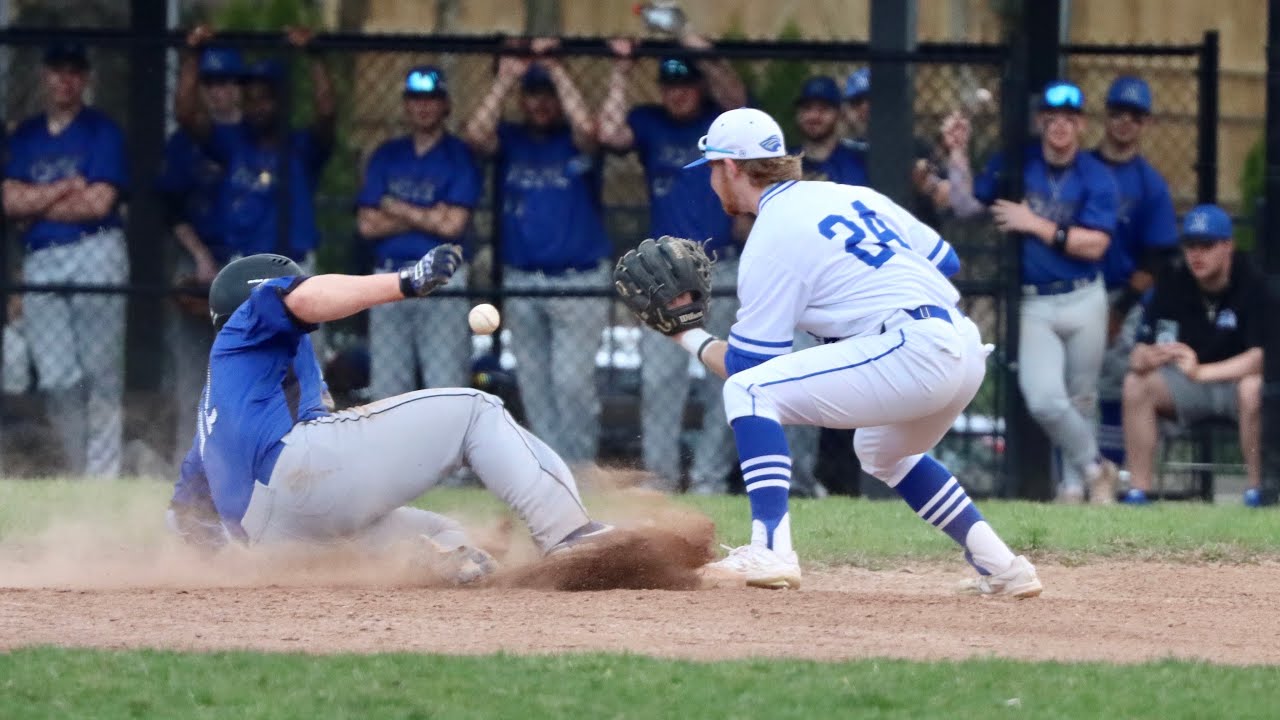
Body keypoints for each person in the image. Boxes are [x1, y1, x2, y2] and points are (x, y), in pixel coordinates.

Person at [617, 108, 1033, 596]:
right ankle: (1002, 566)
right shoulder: (849, 194)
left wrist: (685, 335)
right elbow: (948, 258)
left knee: (749, 391)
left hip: (911, 348)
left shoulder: (771, 236)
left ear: (732, 167)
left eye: (711, 168)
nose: (710, 181)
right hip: (959, 344)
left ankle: (771, 548)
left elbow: (749, 368)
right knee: (881, 450)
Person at [166, 248, 612, 580]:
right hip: (298, 471)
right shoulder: (250, 322)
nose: (299, 293)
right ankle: (569, 537)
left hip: (276, 535)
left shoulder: (218, 404)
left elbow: (185, 514)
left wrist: (241, 567)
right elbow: (305, 298)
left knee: (446, 538)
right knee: (475, 411)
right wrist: (404, 282)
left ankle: (459, 570)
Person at [944, 80, 1120, 503]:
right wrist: (956, 152)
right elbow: (965, 204)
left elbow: (1096, 243)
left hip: (1084, 295)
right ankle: (1097, 468)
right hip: (1035, 301)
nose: (1060, 126)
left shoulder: (1096, 174)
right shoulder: (1017, 163)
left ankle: (1075, 490)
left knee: (1082, 398)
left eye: (1069, 119)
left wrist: (1036, 224)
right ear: (1041, 122)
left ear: (1080, 125)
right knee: (1044, 399)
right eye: (1052, 118)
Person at [598, 34, 751, 494]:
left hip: (722, 268)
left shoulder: (718, 122)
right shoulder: (650, 122)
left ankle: (708, 479)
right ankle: (660, 480)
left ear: (700, 85)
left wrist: (705, 51)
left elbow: (739, 101)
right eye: (669, 84)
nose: (678, 92)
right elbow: (608, 132)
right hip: (665, 274)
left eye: (686, 82)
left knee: (724, 379)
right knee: (660, 380)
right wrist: (622, 69)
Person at [462, 40, 611, 465]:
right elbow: (475, 135)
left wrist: (556, 69)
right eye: (533, 94)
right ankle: (550, 473)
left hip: (577, 279)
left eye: (547, 94)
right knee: (536, 387)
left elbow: (591, 131)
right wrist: (507, 77)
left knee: (571, 382)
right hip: (522, 278)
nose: (540, 104)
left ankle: (582, 472)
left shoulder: (574, 140)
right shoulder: (510, 138)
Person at [3, 41, 130, 477]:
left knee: (102, 373)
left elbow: (98, 203)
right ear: (44, 76)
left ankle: (103, 477)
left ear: (86, 78)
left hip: (96, 249)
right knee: (57, 378)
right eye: (57, 70)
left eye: (74, 71)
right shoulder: (27, 136)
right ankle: (77, 471)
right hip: (42, 257)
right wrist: (63, 188)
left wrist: (35, 203)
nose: (65, 80)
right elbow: (8, 200)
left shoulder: (102, 131)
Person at [1120, 205, 1264, 507]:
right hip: (1187, 385)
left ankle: (1257, 492)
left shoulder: (1253, 278)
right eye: (1191, 246)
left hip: (1235, 384)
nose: (1197, 255)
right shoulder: (1173, 280)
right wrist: (1146, 357)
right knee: (1136, 383)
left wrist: (1201, 372)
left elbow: (1261, 358)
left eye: (1207, 246)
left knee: (1254, 389)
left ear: (1228, 246)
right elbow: (1137, 352)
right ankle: (1138, 492)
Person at [356, 65, 481, 398]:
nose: (423, 106)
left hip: (442, 277)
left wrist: (396, 208)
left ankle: (445, 453)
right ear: (405, 105)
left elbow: (453, 226)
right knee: (387, 391)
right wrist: (429, 216)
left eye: (432, 98)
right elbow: (367, 225)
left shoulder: (459, 156)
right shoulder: (386, 155)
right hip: (389, 277)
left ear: (446, 105)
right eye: (415, 99)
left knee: (445, 388)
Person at [174, 25, 334, 267]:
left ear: (281, 102)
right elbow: (186, 115)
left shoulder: (302, 147)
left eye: (264, 98)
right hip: (243, 261)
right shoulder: (233, 142)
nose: (256, 107)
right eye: (249, 99)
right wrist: (194, 55)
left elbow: (327, 113)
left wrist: (315, 57)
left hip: (294, 263)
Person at [1089, 76, 1179, 489]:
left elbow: (1156, 259)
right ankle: (1083, 473)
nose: (1125, 122)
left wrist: (1119, 311)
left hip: (1123, 296)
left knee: (1114, 385)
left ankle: (1117, 474)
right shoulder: (1083, 167)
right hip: (1077, 290)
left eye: (1135, 116)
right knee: (1076, 391)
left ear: (1145, 124)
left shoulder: (1150, 184)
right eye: (1118, 113)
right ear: (1106, 116)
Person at [160, 46, 247, 466]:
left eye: (226, 82)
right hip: (198, 260)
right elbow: (169, 207)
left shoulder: (255, 136)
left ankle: (242, 466)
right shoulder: (184, 142)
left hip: (245, 264)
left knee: (246, 372)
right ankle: (188, 464)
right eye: (209, 84)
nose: (218, 92)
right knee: (193, 373)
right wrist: (199, 256)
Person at [841, 67, 951, 229]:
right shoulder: (849, 149)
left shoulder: (917, 146)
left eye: (872, 98)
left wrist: (927, 185)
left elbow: (947, 197)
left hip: (915, 233)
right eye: (858, 102)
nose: (865, 106)